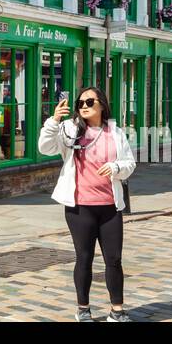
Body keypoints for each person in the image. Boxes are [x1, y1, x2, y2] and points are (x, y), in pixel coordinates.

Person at [38, 86, 137, 322]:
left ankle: (117, 311)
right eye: (80, 102)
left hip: (110, 208)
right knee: (84, 258)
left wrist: (115, 168)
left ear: (101, 104)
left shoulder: (115, 133)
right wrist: (53, 121)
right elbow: (45, 148)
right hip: (80, 207)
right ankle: (83, 309)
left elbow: (130, 164)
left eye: (89, 102)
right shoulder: (70, 129)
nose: (84, 106)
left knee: (114, 259)